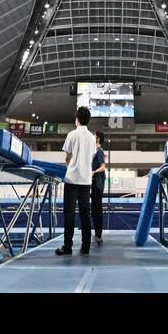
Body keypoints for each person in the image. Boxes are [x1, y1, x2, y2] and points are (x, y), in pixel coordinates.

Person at [56, 106, 95, 256]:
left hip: (72, 179)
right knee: (86, 215)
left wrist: (70, 167)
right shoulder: (92, 137)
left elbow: (67, 158)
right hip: (86, 180)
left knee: (69, 214)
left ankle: (68, 247)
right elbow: (90, 158)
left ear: (77, 119)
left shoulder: (72, 134)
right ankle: (85, 248)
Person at [91, 131, 107, 246]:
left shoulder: (100, 152)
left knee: (97, 210)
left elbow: (103, 167)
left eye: (94, 135)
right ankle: (97, 235)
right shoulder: (96, 152)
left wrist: (93, 172)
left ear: (98, 139)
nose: (92, 137)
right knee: (95, 209)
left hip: (98, 184)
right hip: (95, 184)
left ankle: (98, 235)